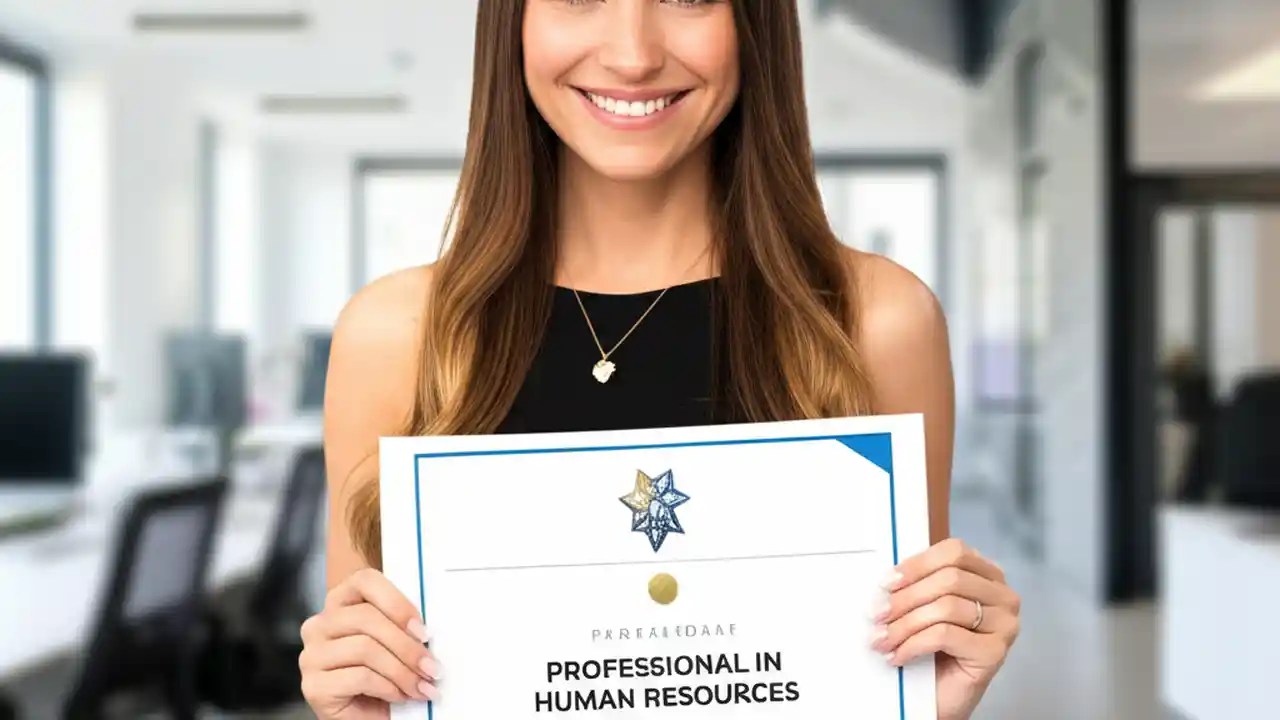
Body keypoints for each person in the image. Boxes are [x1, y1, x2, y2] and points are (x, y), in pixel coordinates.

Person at [299, 1, 1021, 718]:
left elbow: (877, 681)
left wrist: (930, 703)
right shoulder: (397, 337)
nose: (633, 54)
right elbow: (377, 690)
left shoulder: (875, 322)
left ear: (753, 22)